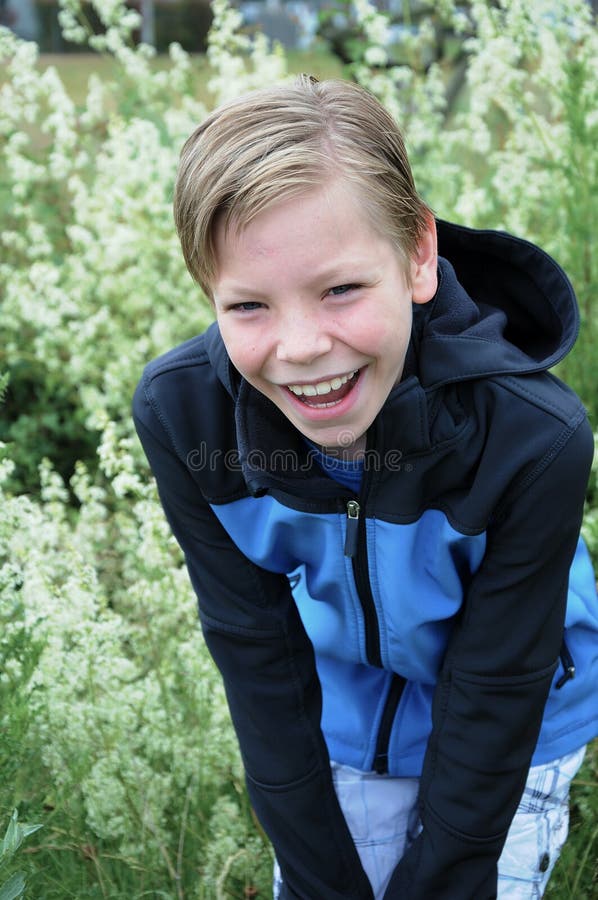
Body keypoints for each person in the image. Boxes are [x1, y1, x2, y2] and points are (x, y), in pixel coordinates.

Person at [132, 76, 598, 899]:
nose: (303, 346)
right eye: (248, 305)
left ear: (419, 254)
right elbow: (257, 656)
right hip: (341, 713)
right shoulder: (183, 416)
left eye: (340, 288)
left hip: (517, 720)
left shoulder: (535, 437)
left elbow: (495, 688)